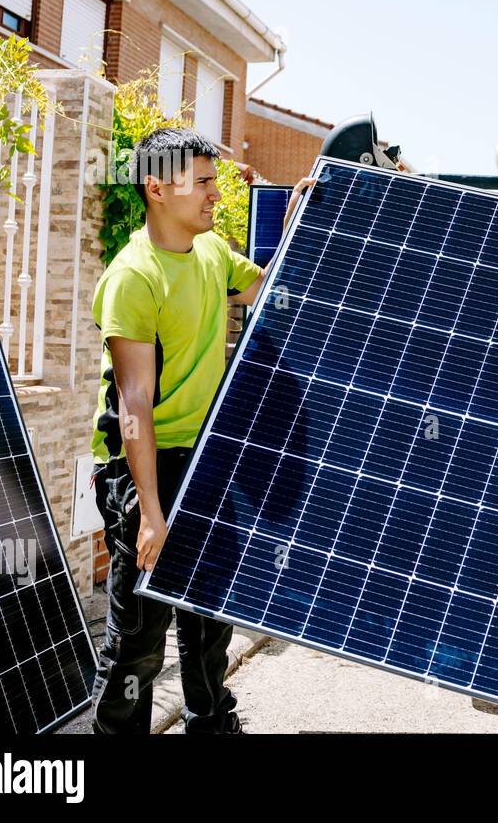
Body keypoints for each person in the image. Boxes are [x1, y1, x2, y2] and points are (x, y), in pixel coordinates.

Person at [87, 127, 312, 733]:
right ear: (157, 188)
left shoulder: (211, 253)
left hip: (207, 459)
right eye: (205, 182)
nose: (217, 194)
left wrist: (295, 222)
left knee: (210, 618)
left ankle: (213, 726)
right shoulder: (135, 276)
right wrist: (152, 511)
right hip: (145, 466)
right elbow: (134, 402)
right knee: (139, 636)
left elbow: (269, 289)